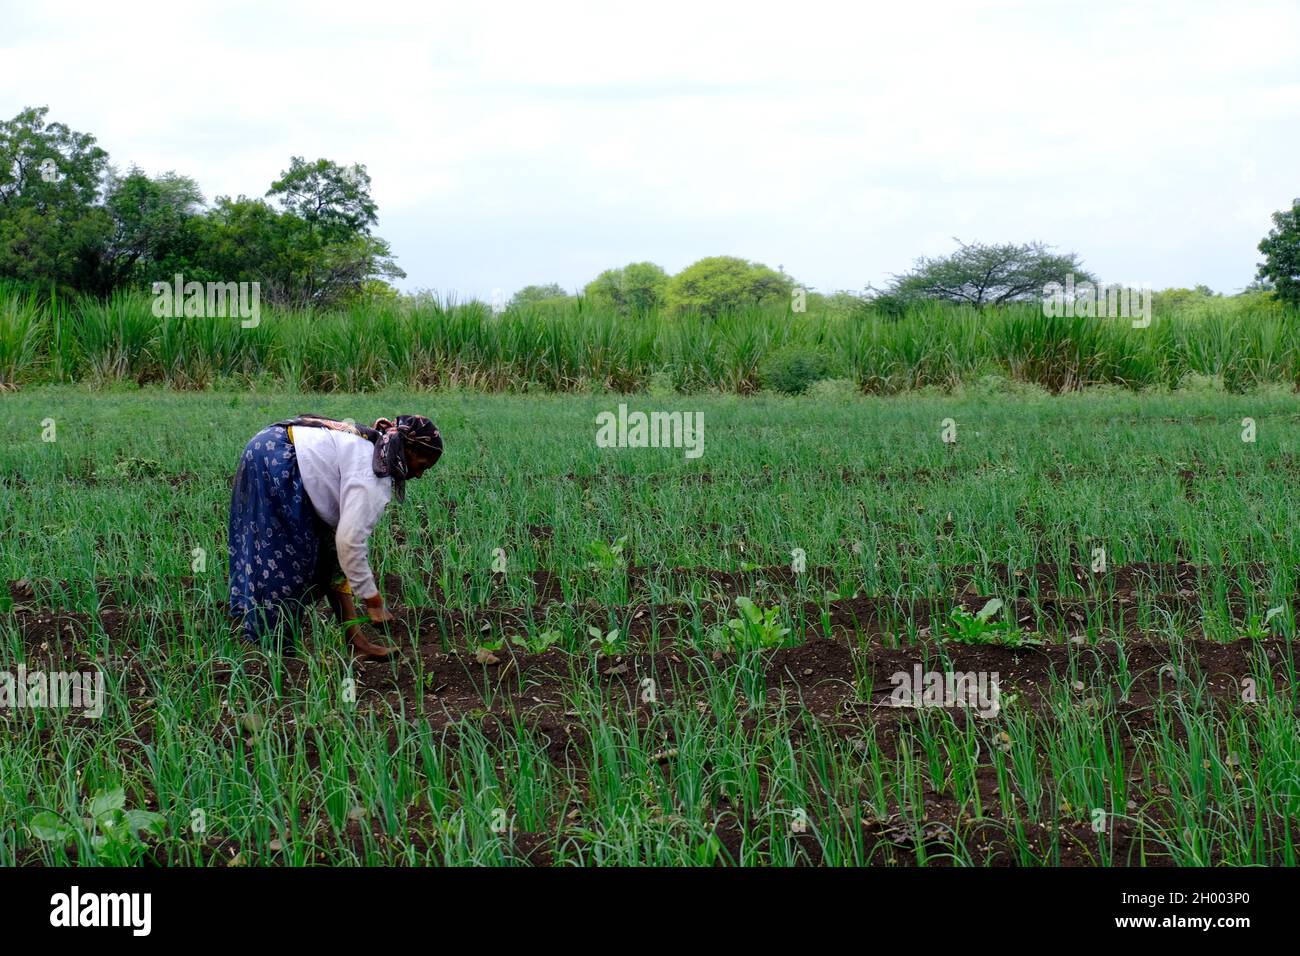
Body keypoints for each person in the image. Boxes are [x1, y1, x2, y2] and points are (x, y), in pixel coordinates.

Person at [227, 414, 442, 658]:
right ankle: (274, 658)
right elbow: (349, 542)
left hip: (275, 447)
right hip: (277, 460)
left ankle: (356, 642)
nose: (420, 474)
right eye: (422, 465)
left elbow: (340, 545)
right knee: (285, 565)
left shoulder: (377, 451)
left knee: (330, 558)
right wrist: (373, 599)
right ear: (408, 448)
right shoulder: (372, 476)